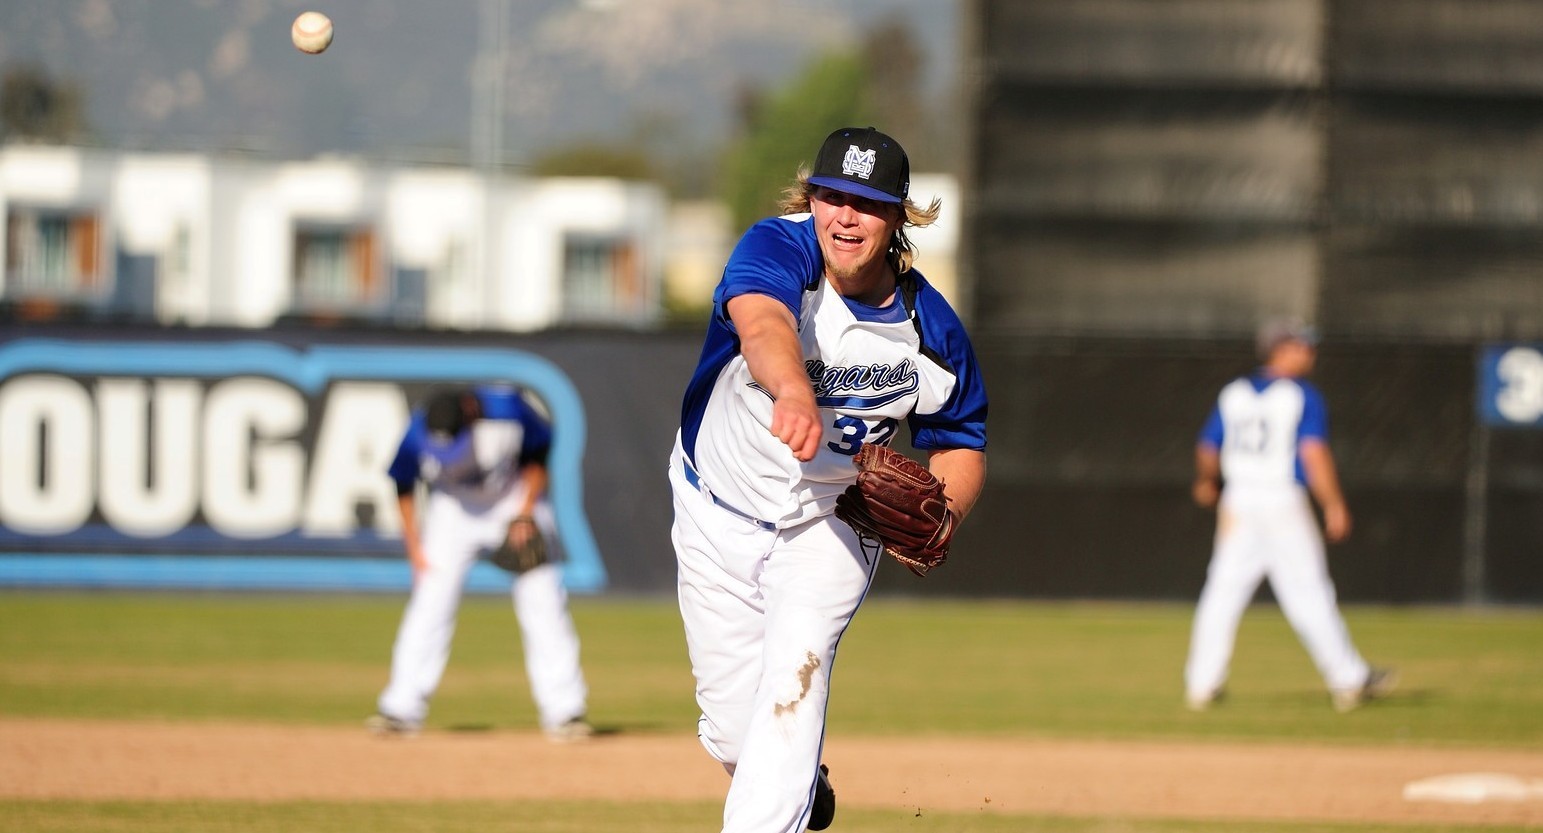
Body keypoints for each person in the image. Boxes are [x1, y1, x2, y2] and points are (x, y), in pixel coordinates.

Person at [669, 126, 988, 832]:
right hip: (715, 508)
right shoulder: (777, 246)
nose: (845, 217)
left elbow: (961, 440)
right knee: (732, 732)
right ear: (808, 198)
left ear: (899, 219)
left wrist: (945, 515)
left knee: (792, 687)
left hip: (830, 520)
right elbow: (760, 323)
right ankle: (800, 793)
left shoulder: (929, 329)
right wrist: (790, 389)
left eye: (867, 204)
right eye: (831, 196)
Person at [1184, 318, 1395, 714]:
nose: (1309, 353)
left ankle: (1200, 683)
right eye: (1302, 346)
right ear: (1280, 349)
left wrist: (1207, 481)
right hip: (1281, 498)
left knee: (1222, 592)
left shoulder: (1234, 393)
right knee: (1307, 591)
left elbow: (1207, 446)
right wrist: (1333, 503)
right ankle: (1348, 678)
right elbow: (1312, 453)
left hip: (1239, 500)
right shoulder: (1301, 395)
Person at [368, 384, 592, 742]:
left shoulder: (509, 411)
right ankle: (401, 708)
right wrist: (414, 547)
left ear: (471, 415)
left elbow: (539, 455)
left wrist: (526, 512)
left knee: (544, 601)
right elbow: (403, 483)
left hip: (512, 497)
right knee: (430, 603)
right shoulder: (417, 429)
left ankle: (565, 710)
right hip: (454, 509)